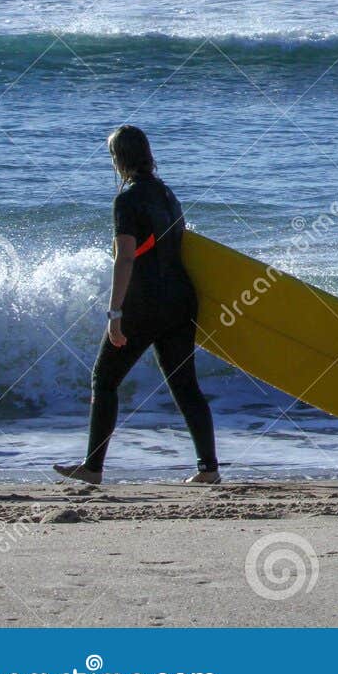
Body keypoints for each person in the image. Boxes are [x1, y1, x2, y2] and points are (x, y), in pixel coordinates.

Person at [54, 126, 220, 485]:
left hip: (145, 303)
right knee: (185, 383)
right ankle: (209, 469)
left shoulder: (126, 199)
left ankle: (93, 469)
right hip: (180, 298)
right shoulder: (167, 194)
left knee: (104, 378)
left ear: (119, 159)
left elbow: (125, 258)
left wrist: (115, 314)